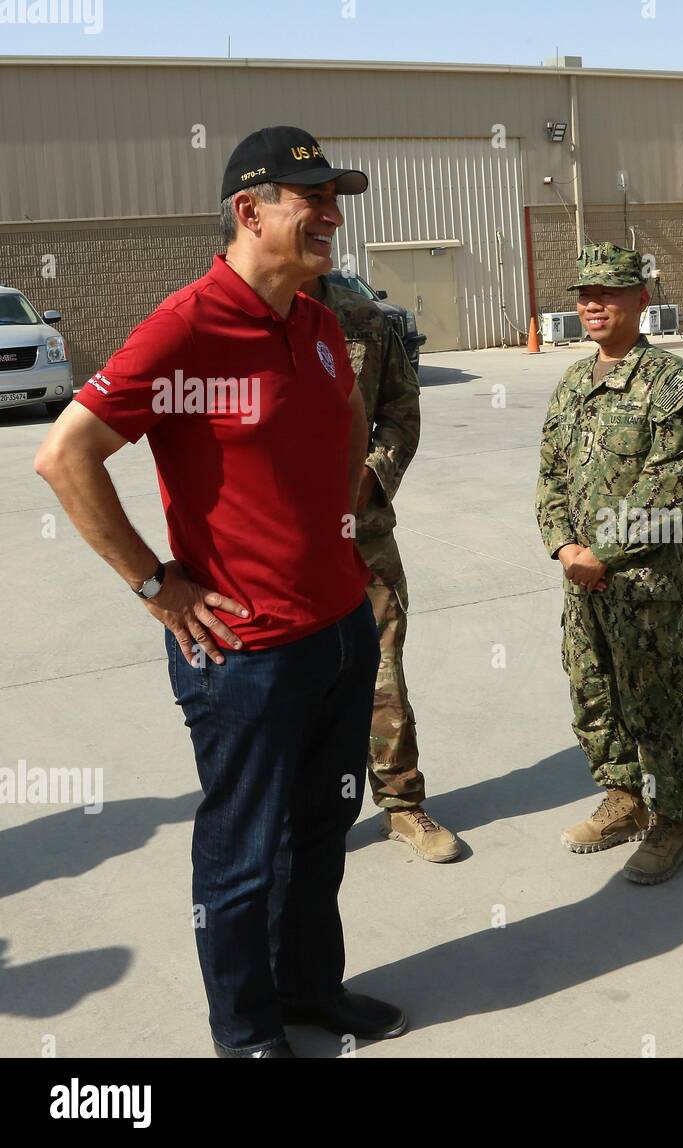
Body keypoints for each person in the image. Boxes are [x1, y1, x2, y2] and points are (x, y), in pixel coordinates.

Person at [34, 126, 408, 1057]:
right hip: (245, 652)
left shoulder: (321, 322)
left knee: (324, 825)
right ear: (250, 210)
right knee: (243, 852)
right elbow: (64, 454)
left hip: (338, 626)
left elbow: (350, 419)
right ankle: (245, 1033)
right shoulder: (188, 325)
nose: (330, 215)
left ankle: (310, 989)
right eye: (309, 198)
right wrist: (155, 581)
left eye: (336, 199)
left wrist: (346, 537)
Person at [536, 241, 683, 885]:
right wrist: (563, 547)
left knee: (654, 697)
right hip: (580, 579)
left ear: (641, 299)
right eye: (585, 294)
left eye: (608, 293)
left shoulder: (669, 382)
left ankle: (674, 821)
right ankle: (623, 800)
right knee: (592, 689)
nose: (593, 304)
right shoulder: (573, 382)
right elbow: (550, 473)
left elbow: (669, 489)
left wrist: (599, 554)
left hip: (642, 583)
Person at [302, 270, 461, 863]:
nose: (321, 221)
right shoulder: (230, 316)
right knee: (289, 678)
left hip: (361, 531)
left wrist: (370, 477)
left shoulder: (362, 318)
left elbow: (400, 407)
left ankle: (401, 803)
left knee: (380, 665)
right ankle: (303, 817)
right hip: (271, 544)